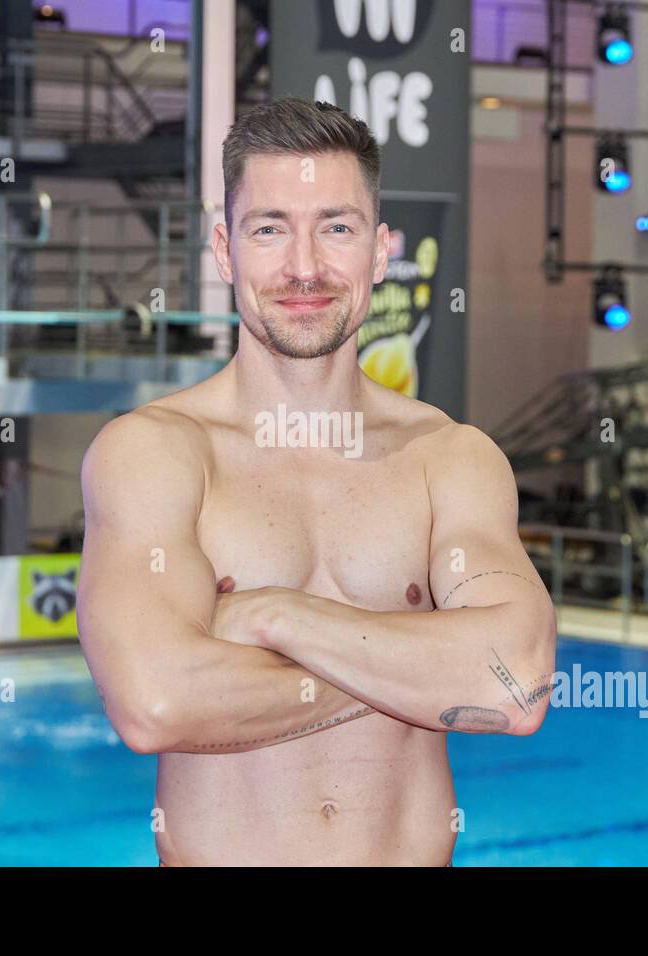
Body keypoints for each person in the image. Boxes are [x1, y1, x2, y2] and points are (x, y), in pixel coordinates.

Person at [76, 98, 556, 866]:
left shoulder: (450, 458)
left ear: (380, 250)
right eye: (271, 229)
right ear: (226, 250)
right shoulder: (156, 454)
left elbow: (517, 685)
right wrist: (425, 667)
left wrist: (271, 617)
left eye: (336, 227)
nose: (305, 267)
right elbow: (154, 702)